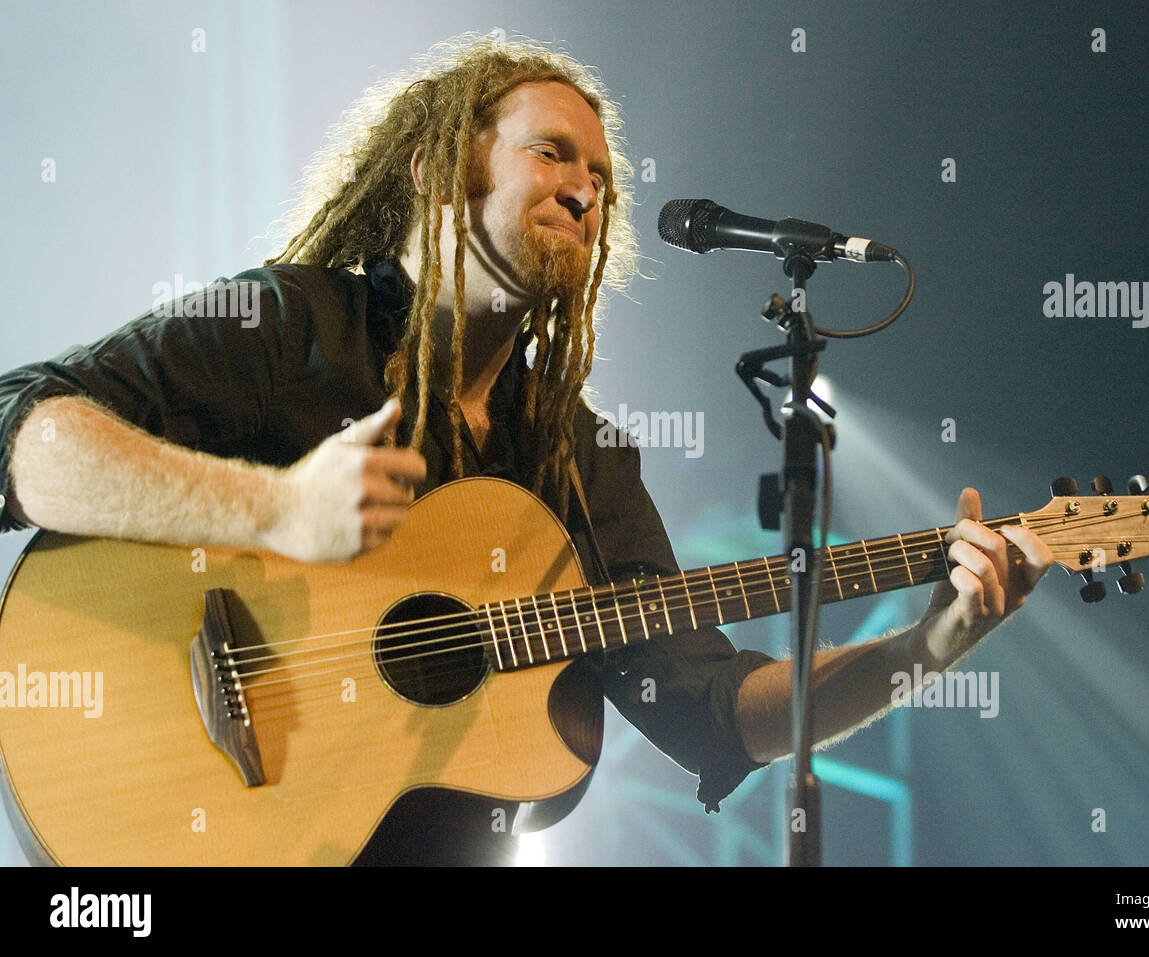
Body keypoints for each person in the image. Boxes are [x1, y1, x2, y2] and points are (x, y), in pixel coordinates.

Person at [0, 36, 1052, 865]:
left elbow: (720, 715)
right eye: (551, 153)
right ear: (438, 168)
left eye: (601, 177)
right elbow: (17, 427)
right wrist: (272, 512)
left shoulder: (579, 459)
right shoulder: (291, 329)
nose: (586, 189)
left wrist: (929, 645)